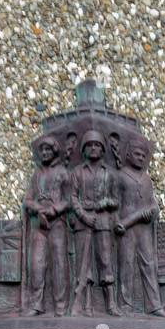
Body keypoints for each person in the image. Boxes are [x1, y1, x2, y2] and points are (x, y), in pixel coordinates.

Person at [70, 130, 120, 316]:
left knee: (105, 262)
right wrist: (83, 216)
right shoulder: (77, 172)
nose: (93, 148)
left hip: (103, 223)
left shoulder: (110, 174)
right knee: (84, 264)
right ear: (84, 149)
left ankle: (111, 304)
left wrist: (105, 202)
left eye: (97, 145)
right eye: (89, 145)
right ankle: (86, 305)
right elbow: (73, 197)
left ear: (102, 149)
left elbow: (116, 201)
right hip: (83, 223)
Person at [115, 137, 165, 316]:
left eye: (143, 155)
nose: (140, 158)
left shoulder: (146, 179)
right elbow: (114, 203)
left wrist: (154, 210)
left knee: (149, 264)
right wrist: (118, 222)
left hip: (143, 227)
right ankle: (125, 305)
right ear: (128, 155)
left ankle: (155, 305)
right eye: (137, 154)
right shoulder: (120, 176)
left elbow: (152, 202)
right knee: (126, 265)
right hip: (126, 228)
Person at [21, 134, 70, 315]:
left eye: (48, 149)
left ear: (55, 151)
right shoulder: (37, 174)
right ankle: (36, 304)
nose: (45, 153)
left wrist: (55, 210)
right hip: (39, 225)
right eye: (42, 150)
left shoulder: (63, 173)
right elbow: (27, 200)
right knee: (37, 264)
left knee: (59, 264)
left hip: (57, 223)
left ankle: (60, 304)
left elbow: (69, 200)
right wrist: (38, 209)